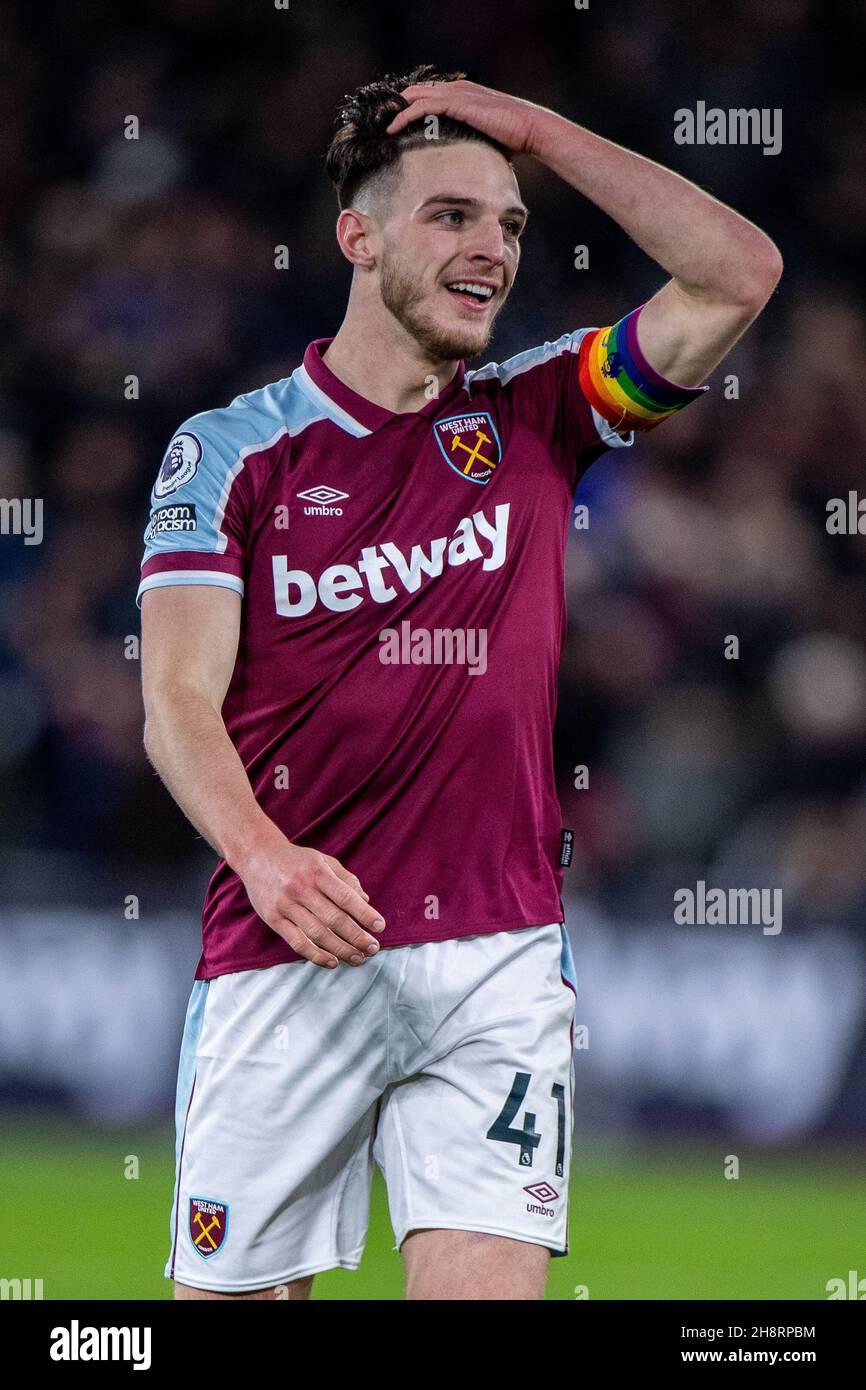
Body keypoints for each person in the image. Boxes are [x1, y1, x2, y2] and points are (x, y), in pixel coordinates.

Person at [139, 64, 782, 1300]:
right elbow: (175, 702)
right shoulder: (229, 450)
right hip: (290, 951)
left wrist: (536, 131)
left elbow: (735, 274)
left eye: (509, 222)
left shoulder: (542, 410)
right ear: (358, 234)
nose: (491, 246)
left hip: (496, 960)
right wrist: (265, 860)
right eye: (450, 215)